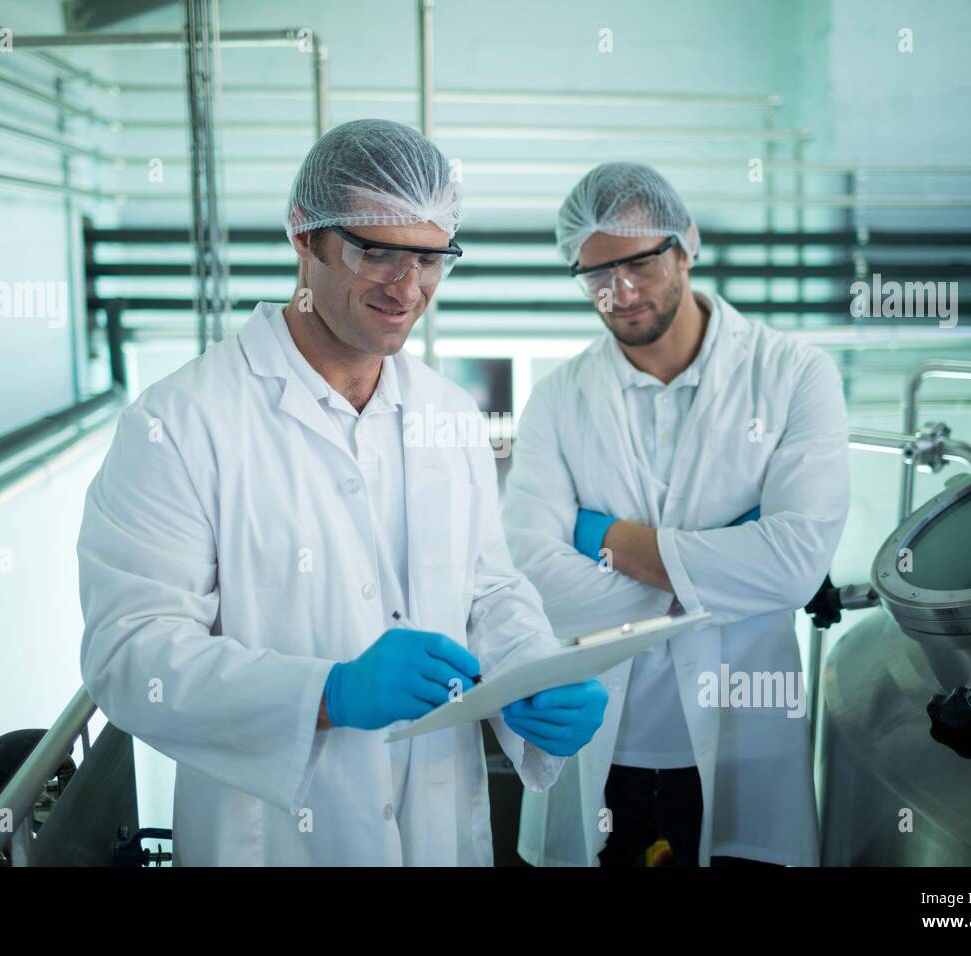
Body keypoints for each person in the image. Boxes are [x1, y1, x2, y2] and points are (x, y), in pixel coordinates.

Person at [76, 119, 607, 866]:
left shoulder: (448, 415)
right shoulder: (181, 424)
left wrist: (530, 669)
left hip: (437, 834)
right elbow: (129, 659)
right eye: (376, 252)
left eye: (429, 257)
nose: (408, 286)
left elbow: (486, 587)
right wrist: (326, 693)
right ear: (304, 234)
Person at [505, 162, 849, 867]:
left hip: (744, 728)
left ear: (685, 244)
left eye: (640, 261)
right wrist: (723, 560)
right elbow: (530, 572)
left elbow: (792, 566)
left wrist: (599, 536)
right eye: (595, 274)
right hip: (603, 734)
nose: (619, 291)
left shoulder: (794, 375)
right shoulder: (558, 399)